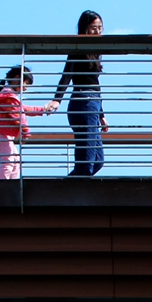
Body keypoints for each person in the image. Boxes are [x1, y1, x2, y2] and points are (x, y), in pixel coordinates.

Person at [54, 10, 108, 177]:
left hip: (93, 103)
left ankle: (65, 188)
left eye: (100, 28)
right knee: (87, 161)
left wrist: (101, 114)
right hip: (83, 101)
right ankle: (68, 192)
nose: (97, 32)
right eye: (93, 28)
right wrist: (57, 100)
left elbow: (95, 82)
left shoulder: (96, 51)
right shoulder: (78, 48)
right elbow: (67, 75)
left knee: (98, 161)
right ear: (84, 29)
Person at [0, 67, 59, 180]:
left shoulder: (8, 96)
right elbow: (19, 115)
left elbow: (23, 110)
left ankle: (12, 183)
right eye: (26, 84)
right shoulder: (8, 97)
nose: (26, 88)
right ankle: (1, 185)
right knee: (8, 160)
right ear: (17, 78)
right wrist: (25, 131)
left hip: (1, 133)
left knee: (15, 160)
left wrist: (42, 110)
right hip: (0, 133)